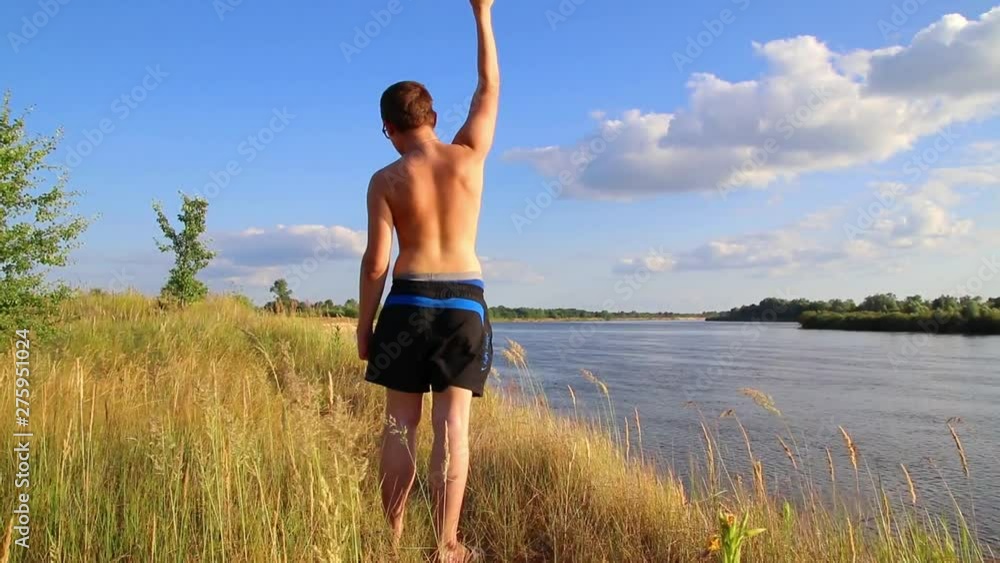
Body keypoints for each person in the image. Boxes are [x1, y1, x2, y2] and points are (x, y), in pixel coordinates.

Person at [356, 0, 499, 561]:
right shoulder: (469, 156)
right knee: (452, 427)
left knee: (399, 425)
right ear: (434, 118)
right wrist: (482, 14)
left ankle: (391, 542)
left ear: (388, 128)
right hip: (465, 301)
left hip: (408, 298)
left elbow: (375, 264)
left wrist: (364, 326)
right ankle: (445, 545)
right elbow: (488, 88)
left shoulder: (385, 178)